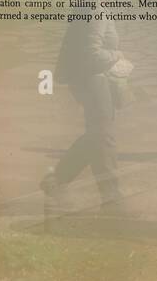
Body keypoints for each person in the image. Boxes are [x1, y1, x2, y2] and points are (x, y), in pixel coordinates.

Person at [41, 13, 131, 215]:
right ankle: (112, 200)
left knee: (97, 136)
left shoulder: (90, 3)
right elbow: (92, 54)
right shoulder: (97, 8)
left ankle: (56, 181)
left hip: (89, 79)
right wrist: (118, 55)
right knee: (103, 136)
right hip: (93, 80)